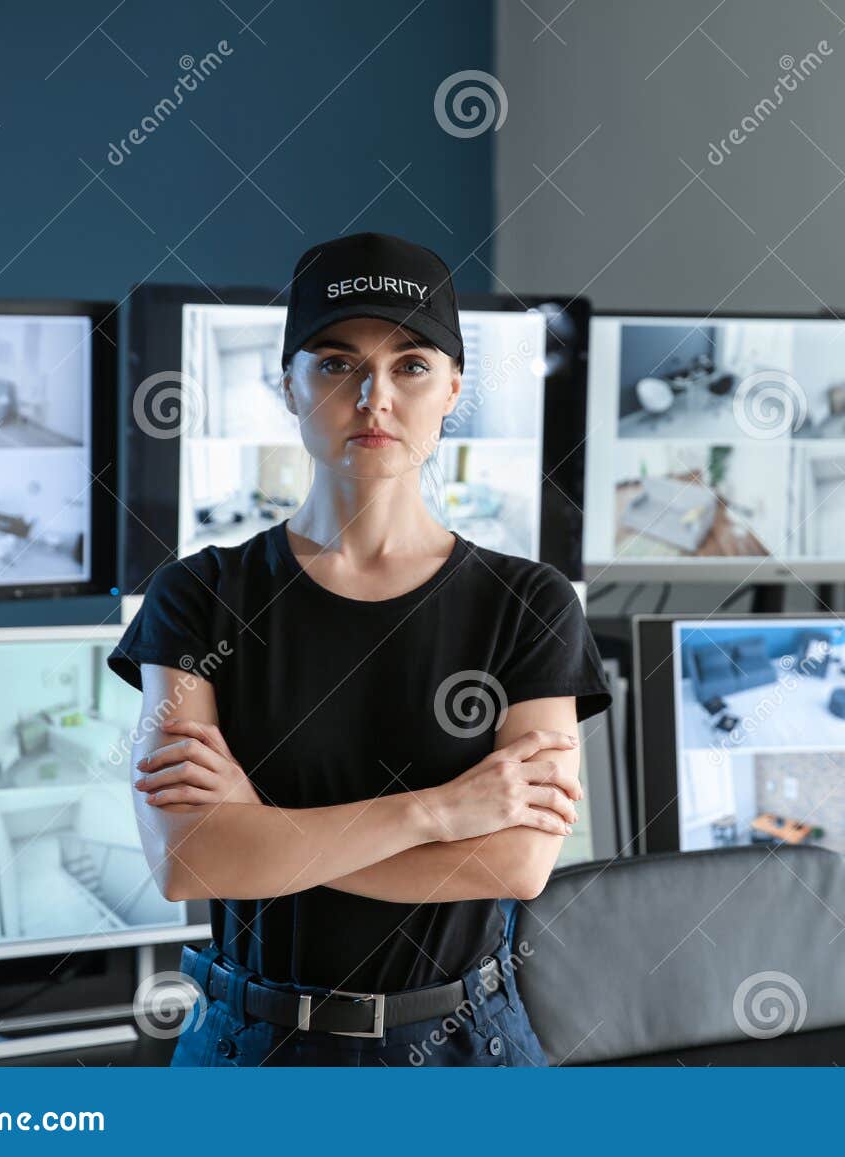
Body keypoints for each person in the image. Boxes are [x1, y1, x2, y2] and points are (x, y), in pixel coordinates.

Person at [106, 232, 612, 1066]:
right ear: (289, 386)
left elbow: (519, 861)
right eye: (336, 363)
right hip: (250, 1051)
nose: (374, 396)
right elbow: (191, 858)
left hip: (461, 1051)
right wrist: (440, 813)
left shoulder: (529, 604)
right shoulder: (198, 596)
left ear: (452, 386)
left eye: (410, 364)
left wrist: (265, 833)